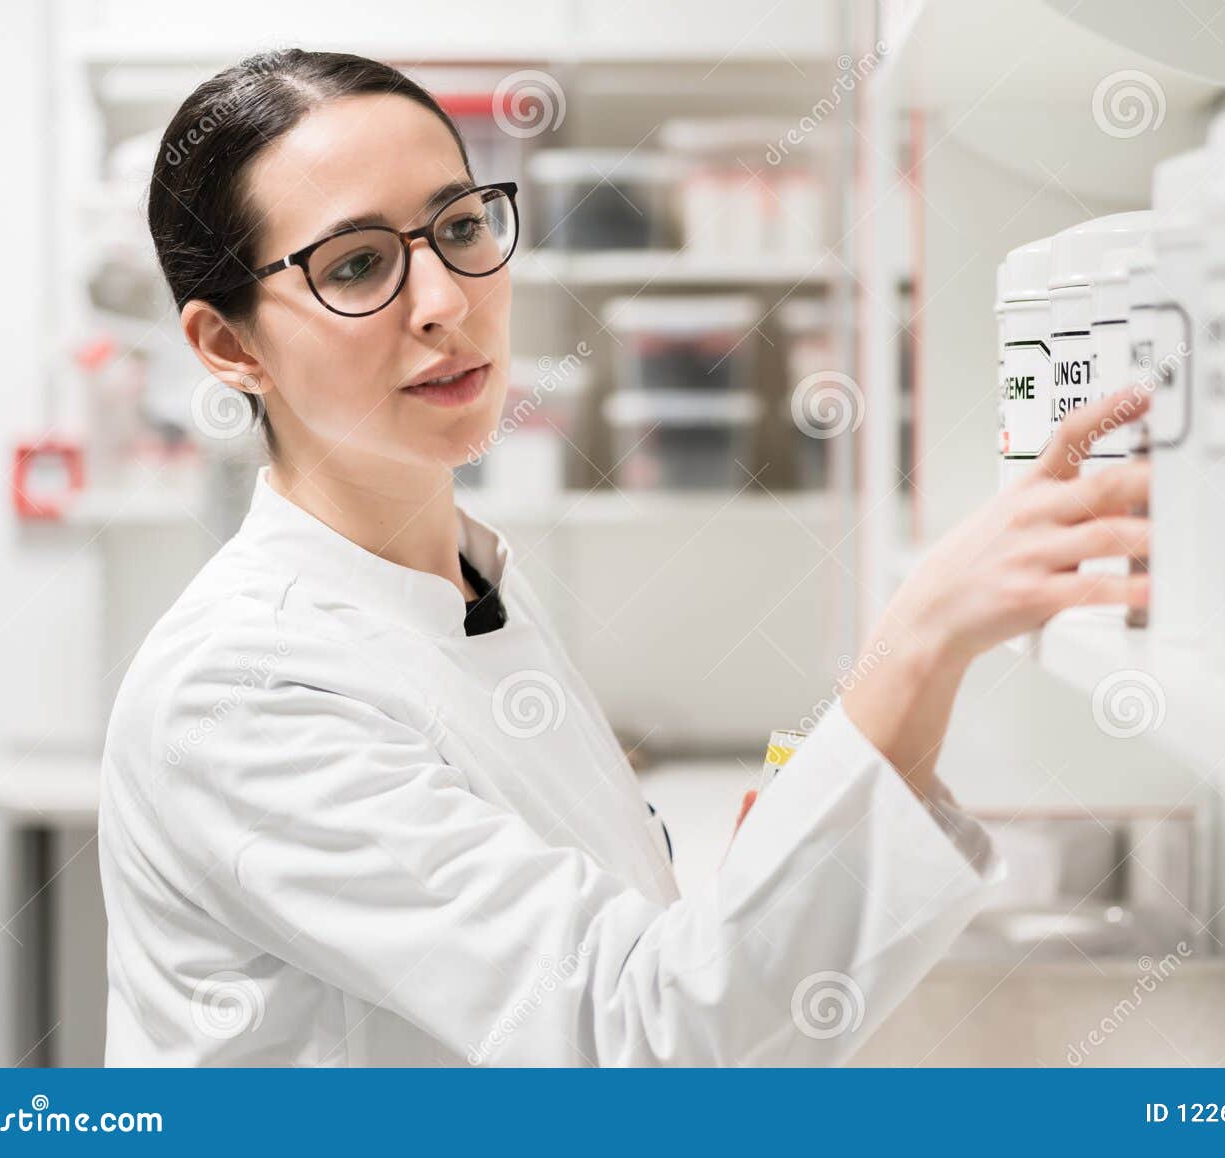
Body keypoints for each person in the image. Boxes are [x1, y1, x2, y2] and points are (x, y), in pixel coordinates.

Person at [98, 49, 1150, 1066]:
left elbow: (627, 970)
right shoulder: (240, 693)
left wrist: (775, 867)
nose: (446, 301)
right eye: (359, 264)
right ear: (229, 347)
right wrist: (921, 637)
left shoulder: (467, 591)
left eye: (460, 227)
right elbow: (638, 1039)